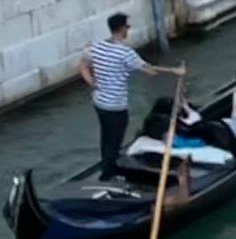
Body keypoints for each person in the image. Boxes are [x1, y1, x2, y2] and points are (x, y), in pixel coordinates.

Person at [78, 12, 182, 181]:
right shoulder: (125, 53)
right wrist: (175, 71)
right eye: (127, 26)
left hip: (100, 103)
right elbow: (150, 70)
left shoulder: (95, 47)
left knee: (106, 137)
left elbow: (83, 66)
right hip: (116, 106)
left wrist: (93, 83)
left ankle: (106, 166)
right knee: (114, 141)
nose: (128, 29)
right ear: (121, 29)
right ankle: (107, 176)